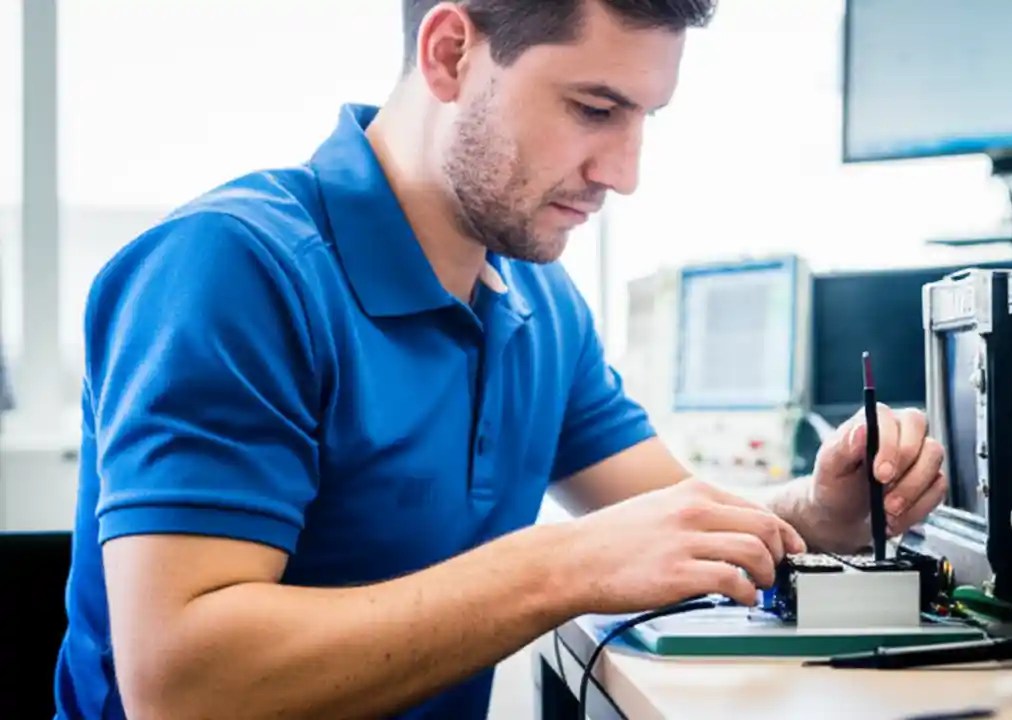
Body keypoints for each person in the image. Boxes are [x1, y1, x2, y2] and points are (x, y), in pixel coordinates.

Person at [53, 1, 948, 718]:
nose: (624, 172)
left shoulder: (538, 303)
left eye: (643, 117)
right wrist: (564, 567)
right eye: (595, 109)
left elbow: (665, 516)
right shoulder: (233, 270)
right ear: (449, 54)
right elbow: (182, 688)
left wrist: (818, 513)